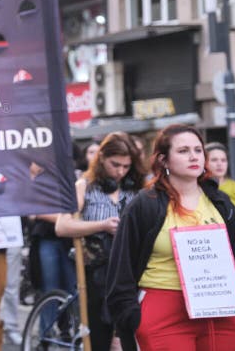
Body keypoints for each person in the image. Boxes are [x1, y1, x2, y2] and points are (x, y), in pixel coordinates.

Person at [107, 124, 235, 351]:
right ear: (163, 160)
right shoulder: (144, 205)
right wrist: (130, 316)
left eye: (198, 150)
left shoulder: (221, 203)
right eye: (183, 151)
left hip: (222, 308)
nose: (193, 157)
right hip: (164, 309)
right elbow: (122, 265)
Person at [56, 132, 145, 351]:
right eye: (115, 165)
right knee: (99, 336)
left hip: (131, 271)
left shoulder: (136, 189)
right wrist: (102, 225)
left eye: (126, 166)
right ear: (102, 158)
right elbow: (62, 226)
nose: (120, 172)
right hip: (96, 273)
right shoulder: (84, 186)